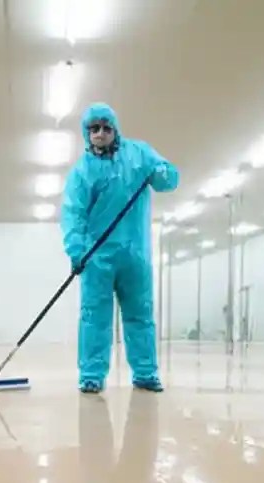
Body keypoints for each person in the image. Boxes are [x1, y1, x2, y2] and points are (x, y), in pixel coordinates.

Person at [61, 102, 179, 394]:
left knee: (140, 314)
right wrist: (77, 251)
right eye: (94, 129)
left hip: (135, 256)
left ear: (115, 130)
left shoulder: (139, 154)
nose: (100, 133)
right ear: (86, 133)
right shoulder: (81, 173)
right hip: (96, 257)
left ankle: (145, 372)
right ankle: (91, 374)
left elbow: (167, 179)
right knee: (94, 316)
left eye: (105, 127)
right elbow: (73, 214)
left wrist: (163, 173)